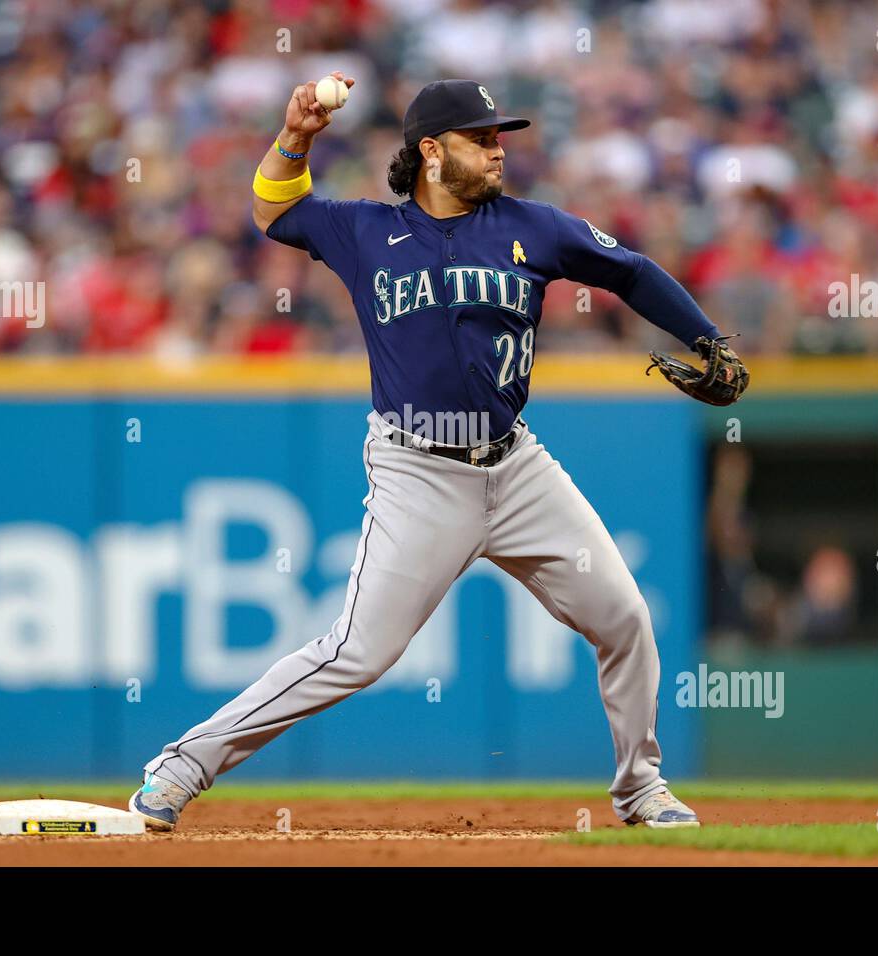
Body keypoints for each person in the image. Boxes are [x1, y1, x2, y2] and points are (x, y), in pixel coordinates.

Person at [129, 74, 747, 830]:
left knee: (624, 616)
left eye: (498, 137)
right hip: (417, 471)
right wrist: (297, 135)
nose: (497, 150)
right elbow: (273, 210)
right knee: (355, 652)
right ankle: (183, 765)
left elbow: (632, 272)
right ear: (431, 151)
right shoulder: (364, 232)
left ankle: (640, 786)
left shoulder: (534, 226)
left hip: (518, 468)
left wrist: (708, 337)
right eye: (480, 138)